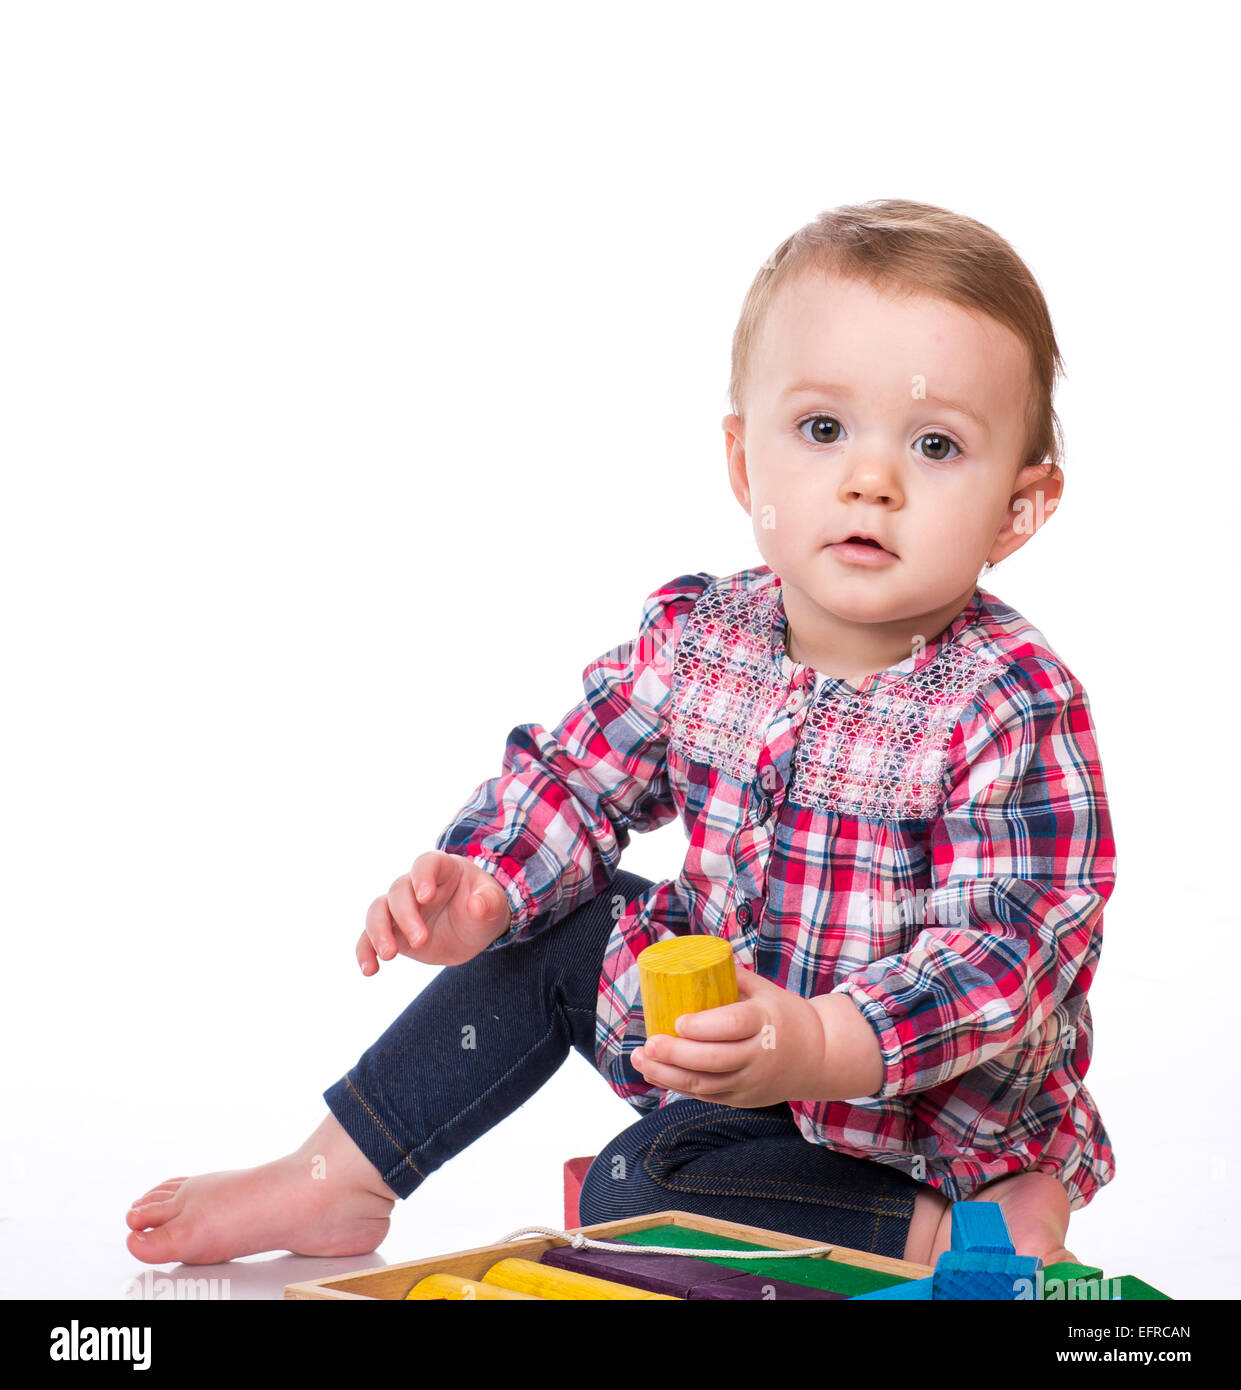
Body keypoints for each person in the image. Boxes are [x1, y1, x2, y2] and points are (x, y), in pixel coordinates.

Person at [125, 199, 1114, 1273]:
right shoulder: (700, 635)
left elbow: (1008, 951)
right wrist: (486, 885)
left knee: (630, 1185)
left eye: (931, 445)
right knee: (548, 926)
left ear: (1018, 510)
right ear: (744, 465)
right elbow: (575, 777)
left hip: (913, 1130)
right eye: (822, 430)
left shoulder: (1006, 700)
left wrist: (817, 1039)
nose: (868, 480)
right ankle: (336, 1175)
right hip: (726, 1046)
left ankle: (973, 1230)